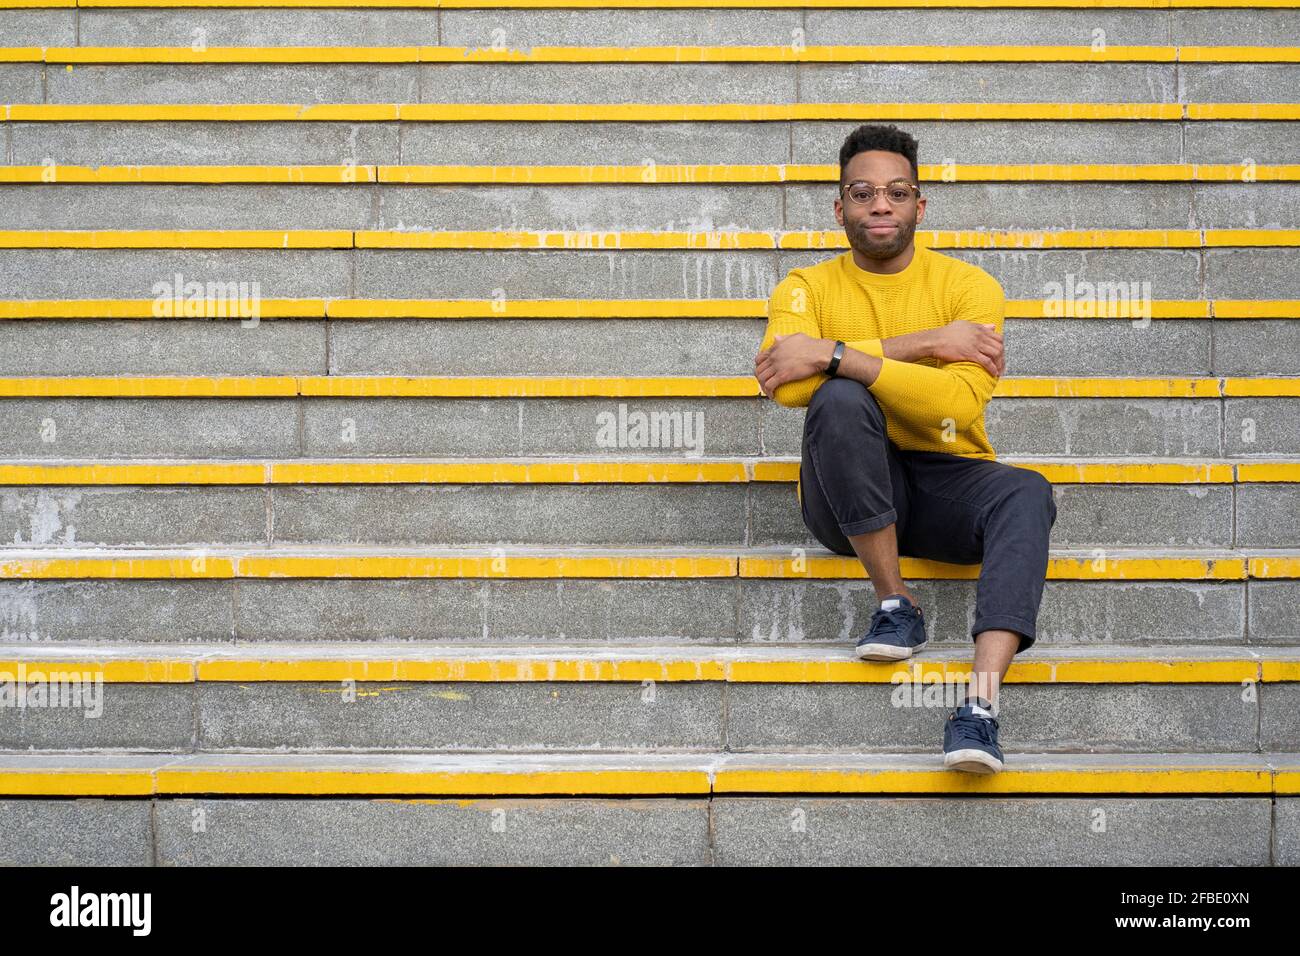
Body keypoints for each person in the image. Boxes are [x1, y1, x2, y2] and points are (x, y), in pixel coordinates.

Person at [753, 123, 1058, 774]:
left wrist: (835, 352)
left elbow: (957, 405)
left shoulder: (969, 289)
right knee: (837, 402)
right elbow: (788, 385)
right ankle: (896, 602)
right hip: (847, 497)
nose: (881, 205)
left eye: (897, 192)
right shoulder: (803, 288)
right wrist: (925, 345)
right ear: (840, 209)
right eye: (862, 193)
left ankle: (978, 705)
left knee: (1027, 490)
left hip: (945, 477)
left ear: (921, 205)